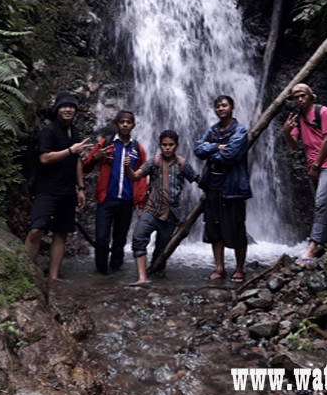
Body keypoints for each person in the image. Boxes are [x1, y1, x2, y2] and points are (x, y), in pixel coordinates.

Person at [25, 93, 92, 281]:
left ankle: (53, 277)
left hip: (67, 190)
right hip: (46, 189)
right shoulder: (49, 131)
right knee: (36, 229)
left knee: (61, 232)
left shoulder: (74, 132)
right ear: (57, 110)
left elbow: (77, 161)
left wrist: (81, 188)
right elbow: (44, 158)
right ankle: (27, 275)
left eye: (71, 106)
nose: (68, 109)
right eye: (63, 106)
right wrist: (70, 150)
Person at [125, 130, 198, 285]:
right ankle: (142, 278)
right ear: (159, 145)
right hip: (151, 210)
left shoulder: (182, 164)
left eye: (171, 145)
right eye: (164, 145)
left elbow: (198, 179)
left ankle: (157, 279)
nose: (167, 148)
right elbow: (135, 176)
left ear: (176, 145)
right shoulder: (154, 162)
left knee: (161, 250)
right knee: (138, 238)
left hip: (171, 214)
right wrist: (127, 168)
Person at [282, 83, 327, 263]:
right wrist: (286, 132)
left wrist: (316, 165)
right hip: (313, 166)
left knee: (321, 202)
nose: (300, 99)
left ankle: (313, 246)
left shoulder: (323, 112)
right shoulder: (298, 118)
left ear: (311, 95)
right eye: (296, 97)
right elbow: (294, 145)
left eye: (303, 95)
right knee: (323, 202)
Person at [82, 110, 147, 275]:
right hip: (106, 199)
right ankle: (101, 272)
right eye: (122, 122)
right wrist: (95, 157)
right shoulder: (106, 143)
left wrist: (141, 202)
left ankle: (116, 273)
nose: (125, 125)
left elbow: (141, 177)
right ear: (116, 124)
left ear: (133, 125)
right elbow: (85, 167)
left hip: (126, 200)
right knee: (101, 238)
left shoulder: (137, 148)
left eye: (128, 122)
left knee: (120, 240)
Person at [194, 95, 251, 283]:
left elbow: (230, 155)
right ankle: (219, 268)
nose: (220, 108)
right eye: (217, 106)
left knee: (236, 227)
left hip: (233, 187)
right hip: (212, 186)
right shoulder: (213, 130)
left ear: (232, 108)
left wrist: (210, 151)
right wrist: (217, 147)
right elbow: (198, 150)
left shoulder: (240, 130)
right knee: (214, 228)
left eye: (224, 105)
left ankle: (239, 268)